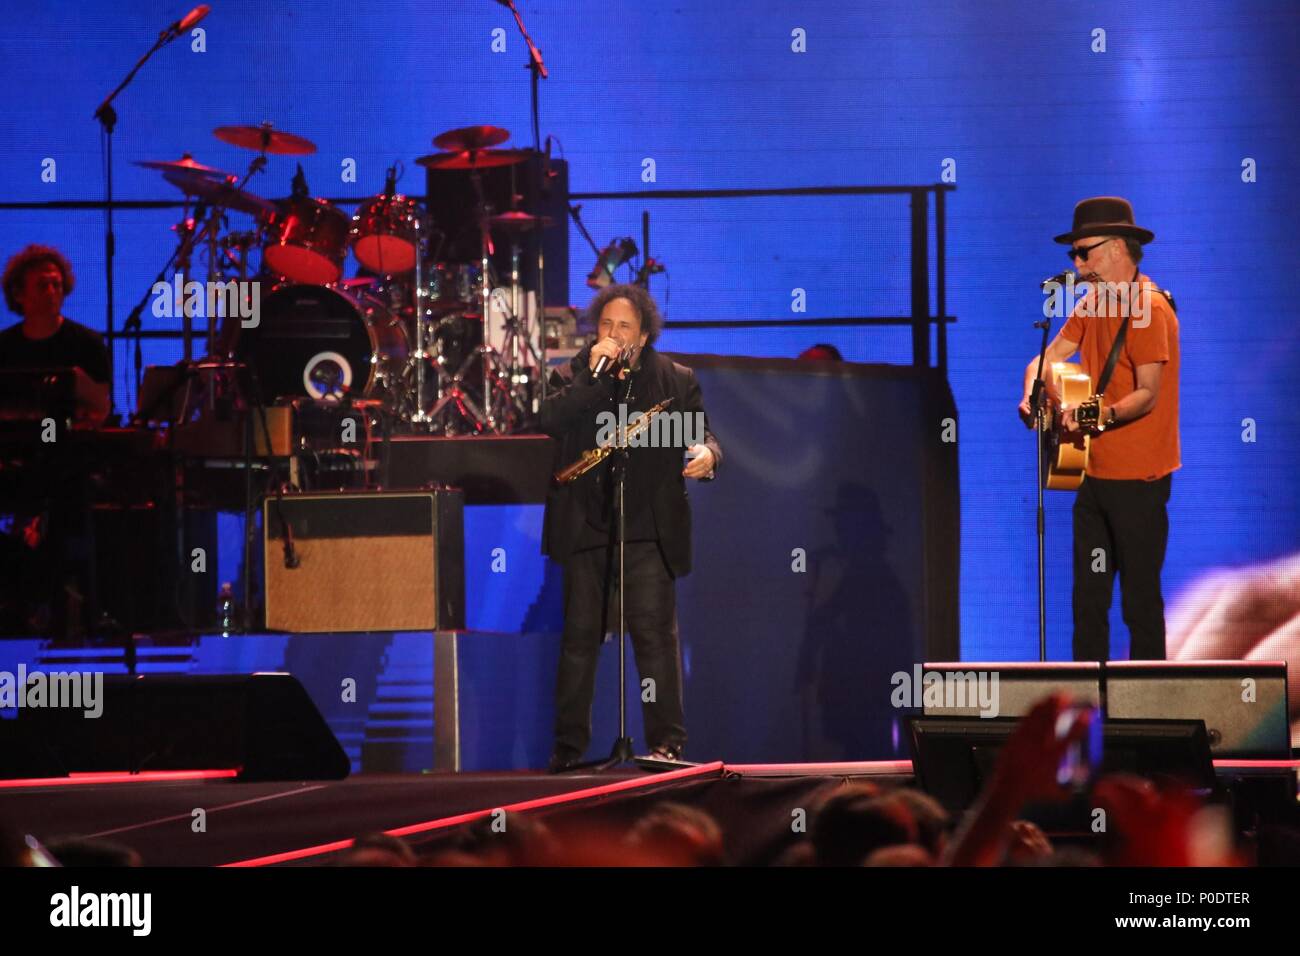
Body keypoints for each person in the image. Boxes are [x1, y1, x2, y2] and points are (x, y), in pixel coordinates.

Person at [541, 283, 722, 771]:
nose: (613, 334)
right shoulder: (572, 374)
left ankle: (667, 744)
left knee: (654, 639)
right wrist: (593, 378)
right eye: (606, 325)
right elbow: (550, 419)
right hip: (587, 527)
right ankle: (568, 749)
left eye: (624, 327)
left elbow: (701, 434)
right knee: (579, 640)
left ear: (643, 335)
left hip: (648, 529)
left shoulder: (674, 379)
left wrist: (708, 454)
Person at [1017, 197, 1180, 661]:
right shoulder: (1091, 304)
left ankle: (1149, 717)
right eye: (1074, 253)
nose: (1076, 261)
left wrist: (1097, 415)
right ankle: (1087, 712)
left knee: (1139, 603)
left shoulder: (1149, 309)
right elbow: (1049, 356)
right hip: (1093, 473)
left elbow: (1148, 393)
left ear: (1117, 248)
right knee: (1088, 602)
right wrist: (1032, 392)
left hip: (1139, 480)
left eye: (1084, 251)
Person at [0, 244, 110, 423]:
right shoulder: (4, 346)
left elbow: (101, 409)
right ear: (18, 294)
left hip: (72, 446)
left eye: (57, 285)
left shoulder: (88, 343)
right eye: (43, 286)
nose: (52, 292)